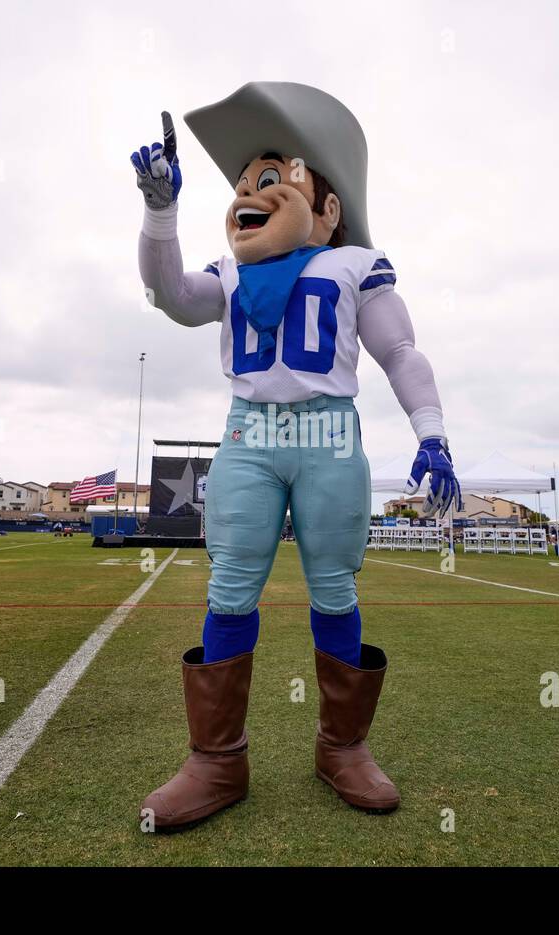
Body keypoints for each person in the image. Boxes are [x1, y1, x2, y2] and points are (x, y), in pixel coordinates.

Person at [132, 82, 461, 829]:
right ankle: (216, 760)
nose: (251, 193)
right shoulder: (230, 272)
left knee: (335, 588)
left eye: (274, 178)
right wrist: (160, 211)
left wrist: (432, 431)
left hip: (329, 432)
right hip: (249, 432)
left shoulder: (354, 264)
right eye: (247, 182)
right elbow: (170, 296)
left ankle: (342, 747)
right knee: (229, 588)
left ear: (329, 208)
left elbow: (399, 350)